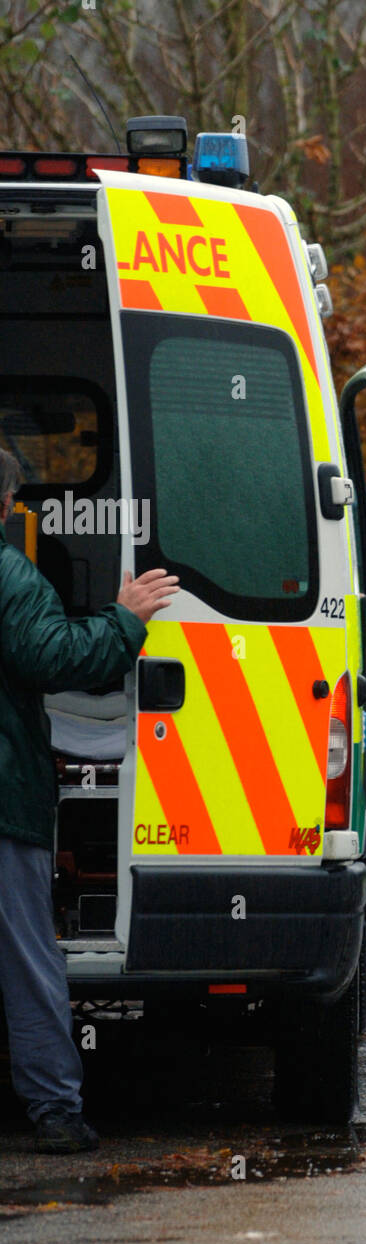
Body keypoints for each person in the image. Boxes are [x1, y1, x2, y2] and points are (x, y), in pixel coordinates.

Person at [0, 448, 178, 1153]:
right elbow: (61, 660)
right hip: (5, 805)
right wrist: (124, 618)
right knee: (26, 956)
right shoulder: (10, 577)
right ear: (8, 503)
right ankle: (54, 1111)